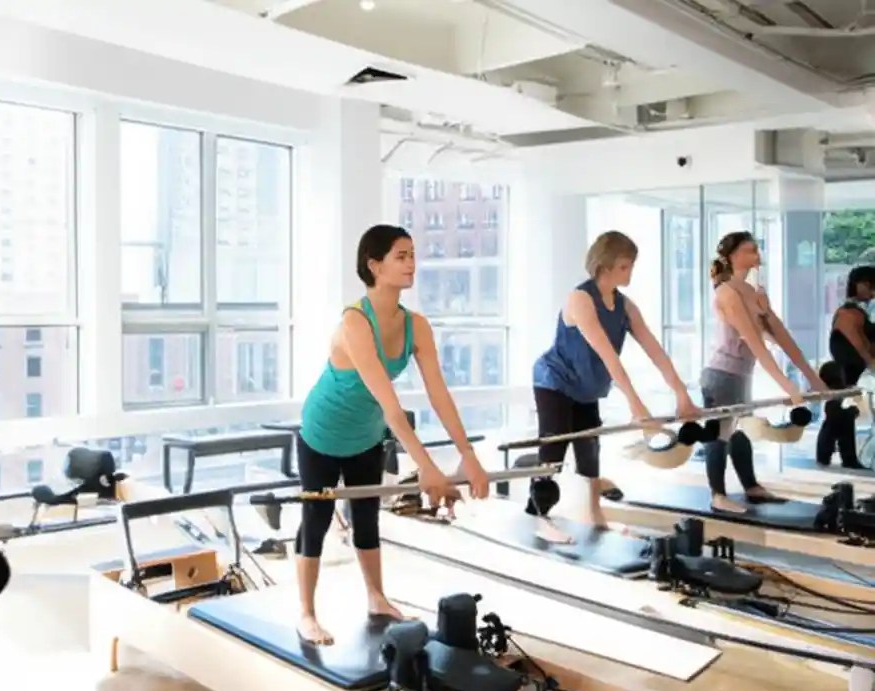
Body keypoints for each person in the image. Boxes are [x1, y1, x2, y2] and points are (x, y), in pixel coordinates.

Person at [294, 223, 490, 646]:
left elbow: (439, 394)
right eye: (401, 256)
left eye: (414, 255)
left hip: (365, 435)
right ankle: (307, 614)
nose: (412, 263)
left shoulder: (416, 326)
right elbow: (390, 402)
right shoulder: (354, 322)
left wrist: (467, 454)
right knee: (317, 520)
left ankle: (376, 597)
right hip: (323, 432)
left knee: (367, 517)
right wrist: (427, 467)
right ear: (374, 265)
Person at [529, 230, 700, 543]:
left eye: (631, 265)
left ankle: (594, 514)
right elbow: (607, 354)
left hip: (585, 388)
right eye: (625, 266)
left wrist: (681, 393)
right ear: (604, 266)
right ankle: (540, 517)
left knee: (590, 452)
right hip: (555, 382)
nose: (630, 272)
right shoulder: (580, 299)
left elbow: (655, 350)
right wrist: (636, 405)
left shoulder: (624, 306)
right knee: (554, 450)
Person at [703, 230, 824, 512]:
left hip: (742, 374)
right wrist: (790, 388)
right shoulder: (727, 292)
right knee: (721, 433)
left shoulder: (753, 293)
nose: (757, 256)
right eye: (749, 250)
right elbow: (756, 344)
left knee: (739, 432)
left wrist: (813, 378)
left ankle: (751, 487)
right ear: (732, 256)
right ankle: (717, 495)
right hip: (721, 374)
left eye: (757, 250)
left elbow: (781, 337)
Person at [816, 265, 875, 468]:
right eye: (870, 286)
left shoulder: (857, 312)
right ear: (859, 285)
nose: (872, 291)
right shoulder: (849, 313)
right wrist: (872, 364)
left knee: (841, 413)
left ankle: (841, 457)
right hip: (842, 370)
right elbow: (859, 345)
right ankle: (841, 458)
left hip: (850, 370)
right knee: (840, 413)